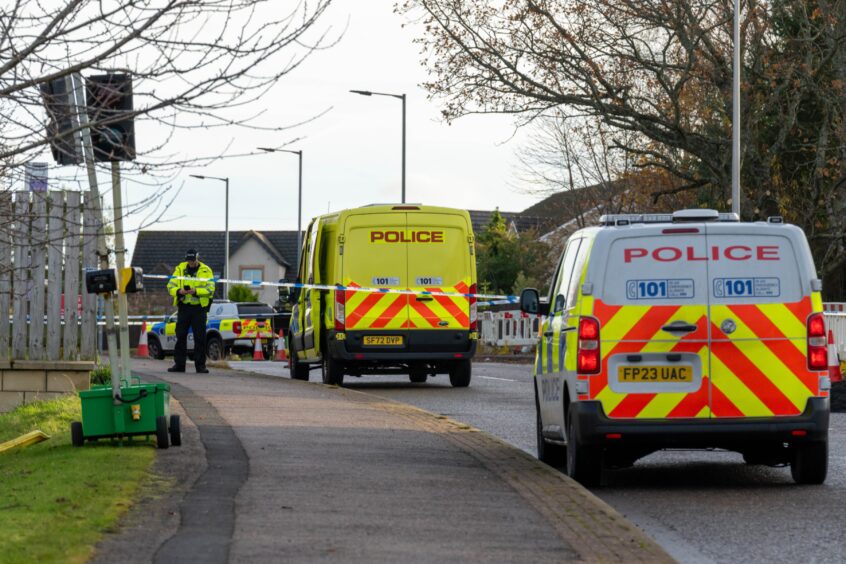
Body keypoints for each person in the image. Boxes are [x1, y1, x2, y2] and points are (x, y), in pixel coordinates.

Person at [167, 249, 215, 373]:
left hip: (199, 308)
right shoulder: (180, 268)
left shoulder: (206, 270)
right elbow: (170, 286)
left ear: (197, 258)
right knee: (180, 335)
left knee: (200, 338)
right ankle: (179, 365)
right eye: (188, 260)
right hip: (184, 307)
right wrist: (179, 291)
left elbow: (210, 289)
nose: (191, 263)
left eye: (193, 260)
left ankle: (200, 366)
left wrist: (196, 291)